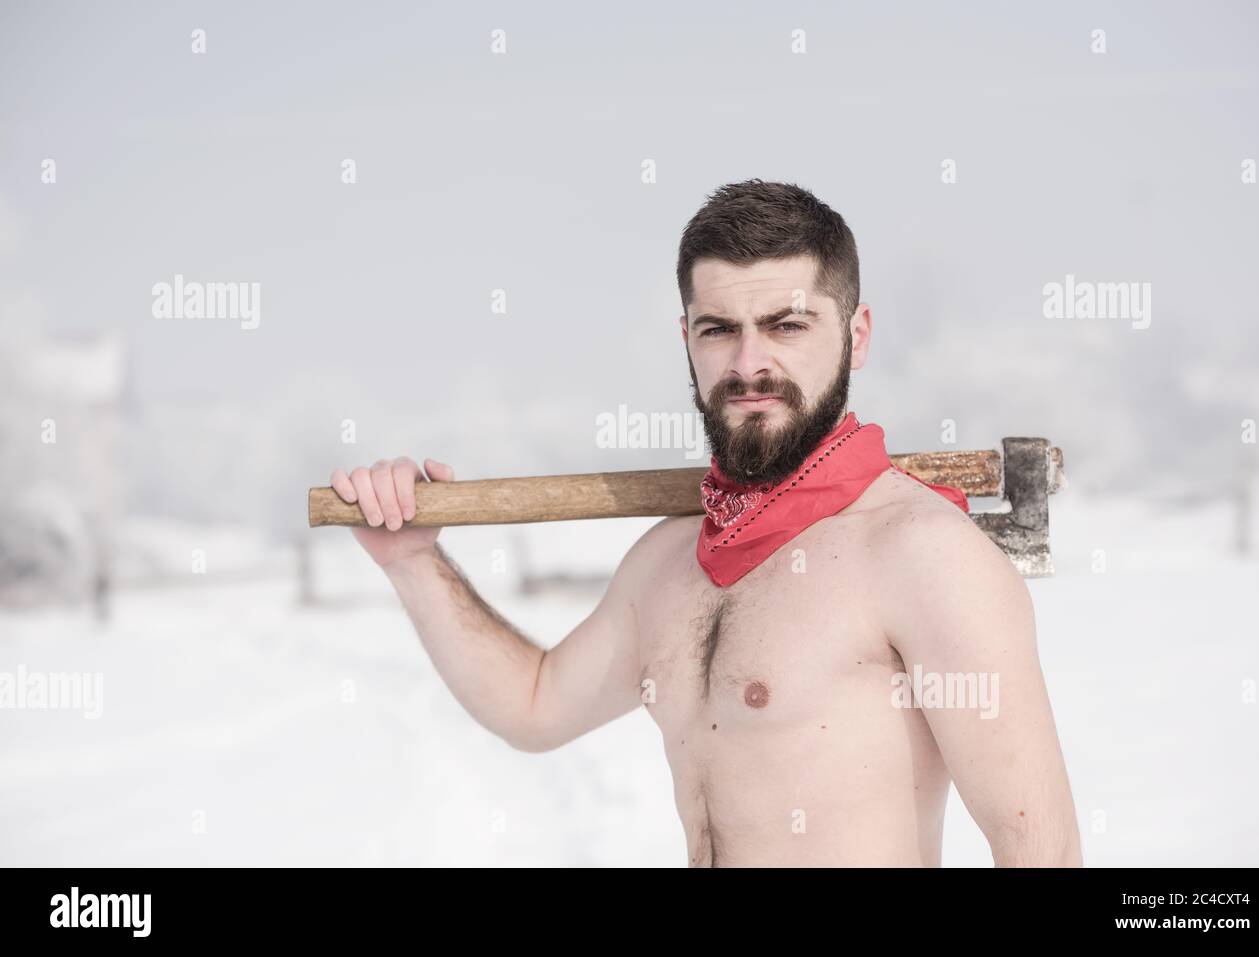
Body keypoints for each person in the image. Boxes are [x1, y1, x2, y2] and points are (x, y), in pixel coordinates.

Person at [328, 179, 1082, 867]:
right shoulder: (667, 564)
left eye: (787, 325)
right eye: (719, 328)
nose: (749, 362)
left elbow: (1036, 844)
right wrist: (413, 562)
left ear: (856, 335)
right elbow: (533, 704)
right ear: (685, 338)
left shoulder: (921, 555)